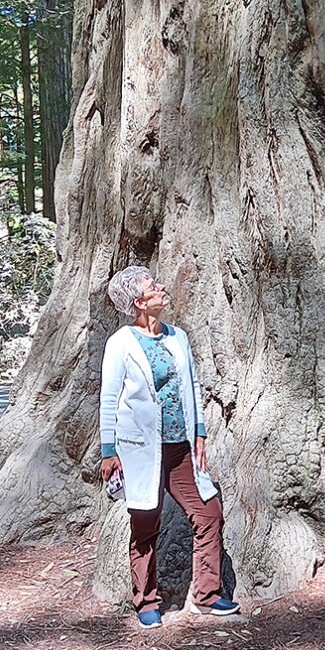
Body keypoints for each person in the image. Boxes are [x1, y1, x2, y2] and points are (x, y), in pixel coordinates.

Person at [99, 265, 240, 628]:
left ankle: (207, 596)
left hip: (179, 448)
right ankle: (146, 600)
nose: (161, 287)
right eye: (152, 284)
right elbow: (109, 398)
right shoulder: (121, 343)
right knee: (145, 524)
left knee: (208, 511)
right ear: (138, 301)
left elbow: (191, 386)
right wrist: (108, 450)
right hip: (140, 450)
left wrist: (200, 433)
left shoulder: (178, 337)